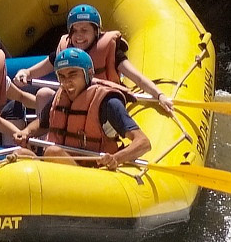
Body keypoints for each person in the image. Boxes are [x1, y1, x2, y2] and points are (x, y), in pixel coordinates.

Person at [16, 3, 174, 116]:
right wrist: (25, 73)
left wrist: (159, 95)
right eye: (75, 30)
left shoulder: (109, 50)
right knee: (43, 94)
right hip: (73, 102)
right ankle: (44, 144)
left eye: (85, 30)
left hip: (102, 103)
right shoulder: (65, 50)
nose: (79, 36)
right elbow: (36, 70)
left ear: (96, 32)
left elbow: (137, 78)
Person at [16, 46, 151, 171]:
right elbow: (42, 124)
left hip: (94, 172)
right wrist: (26, 131)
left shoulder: (108, 102)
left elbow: (143, 143)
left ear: (89, 73)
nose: (66, 82)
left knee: (53, 152)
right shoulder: (60, 96)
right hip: (61, 168)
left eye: (73, 74)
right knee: (20, 154)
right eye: (61, 76)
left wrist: (116, 158)